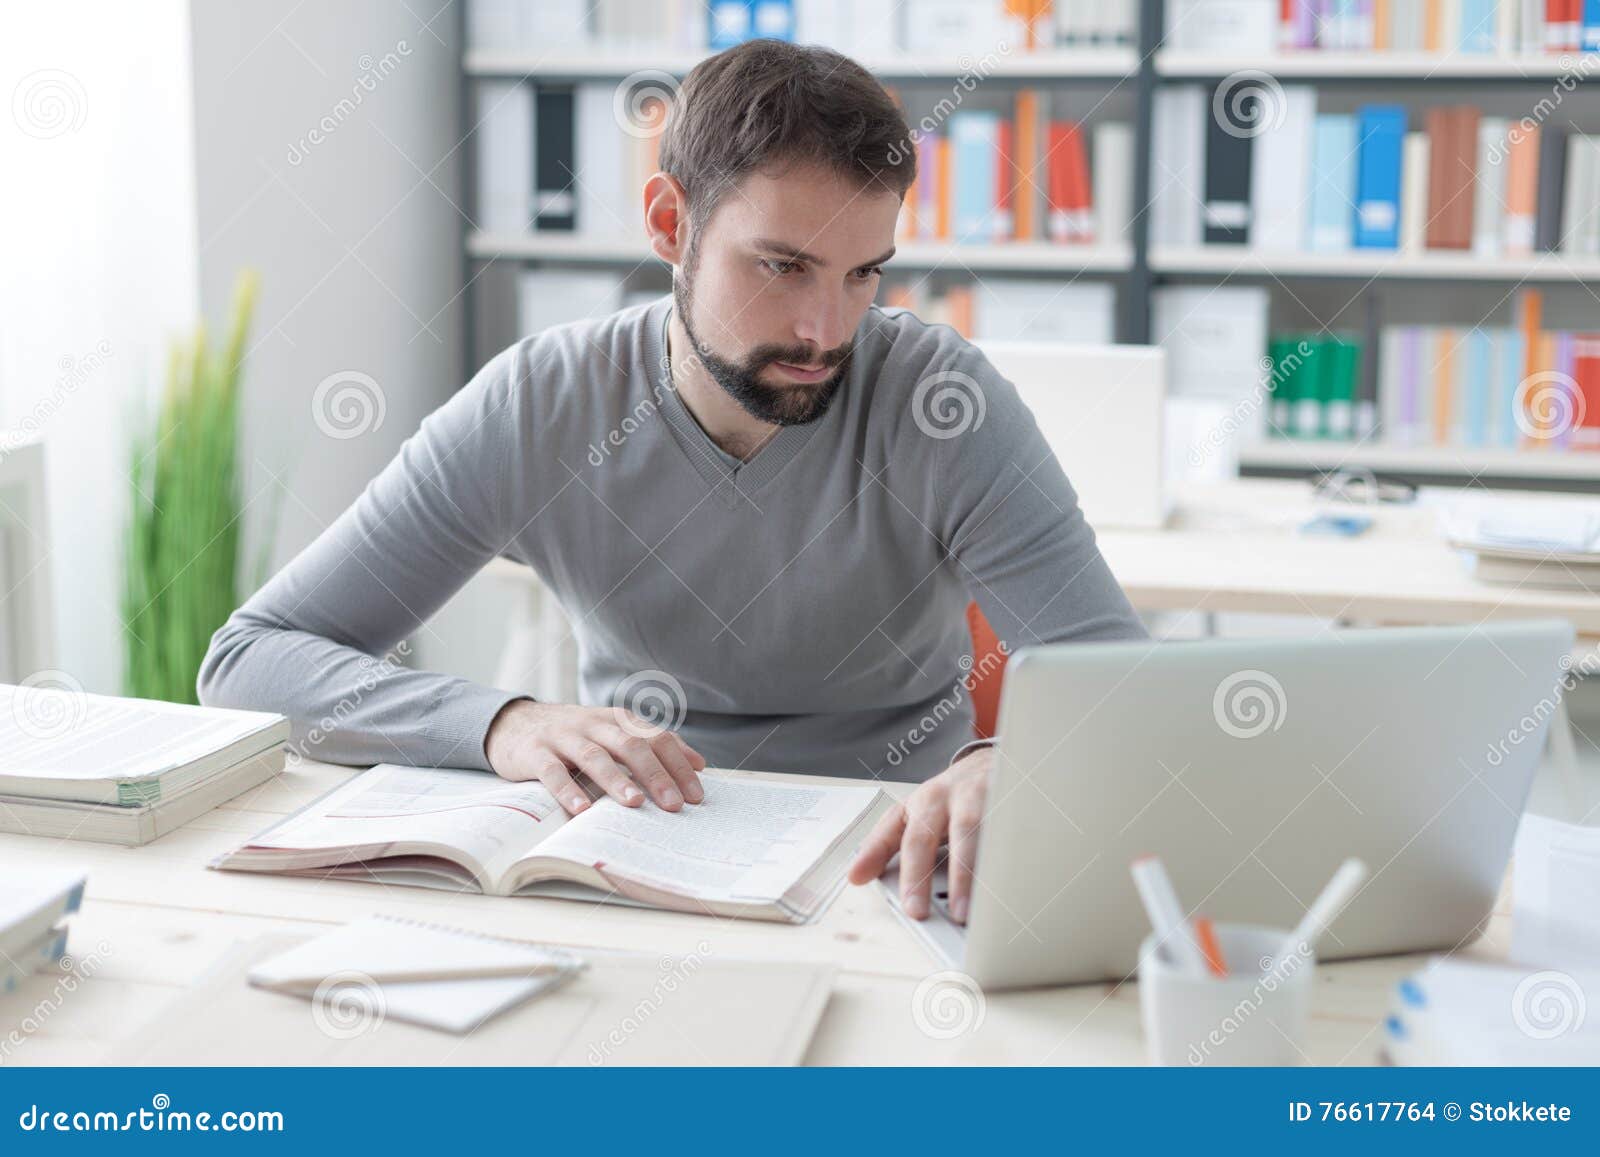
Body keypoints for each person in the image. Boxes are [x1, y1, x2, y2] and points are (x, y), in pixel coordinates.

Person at [197, 39, 1147, 926]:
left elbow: (1122, 688)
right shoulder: (543, 402)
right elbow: (252, 661)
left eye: (864, 275)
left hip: (893, 871)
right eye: (782, 265)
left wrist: (1007, 761)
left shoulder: (943, 402)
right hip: (626, 865)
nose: (825, 329)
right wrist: (501, 723)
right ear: (669, 223)